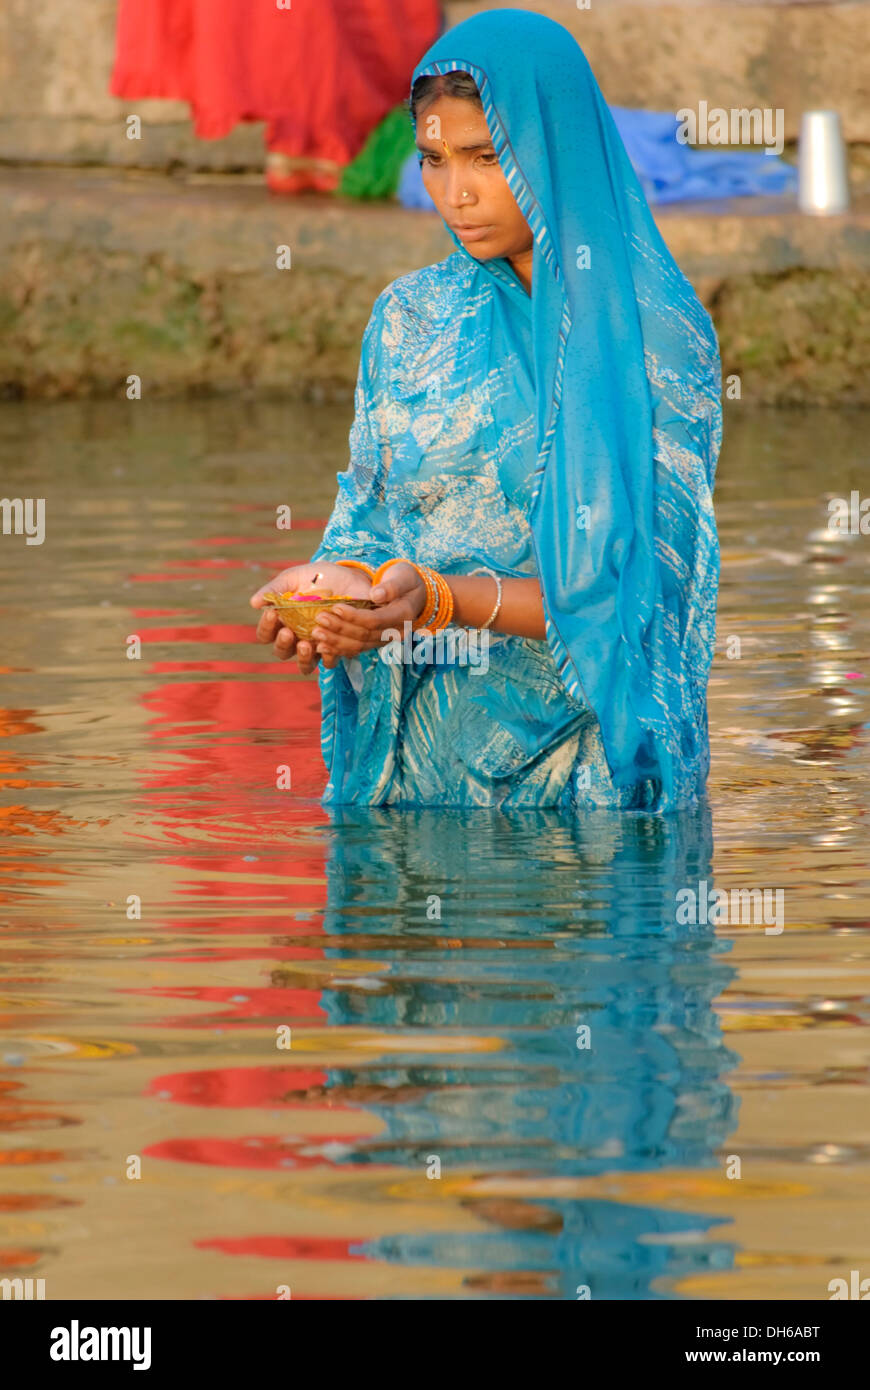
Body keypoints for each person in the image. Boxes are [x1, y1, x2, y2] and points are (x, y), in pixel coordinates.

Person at [250, 9, 723, 812]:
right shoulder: (412, 318)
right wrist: (336, 593)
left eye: (486, 157)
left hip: (594, 795)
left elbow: (642, 593)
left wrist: (437, 599)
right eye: (433, 159)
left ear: (555, 148)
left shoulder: (656, 338)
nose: (455, 193)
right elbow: (367, 519)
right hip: (422, 783)